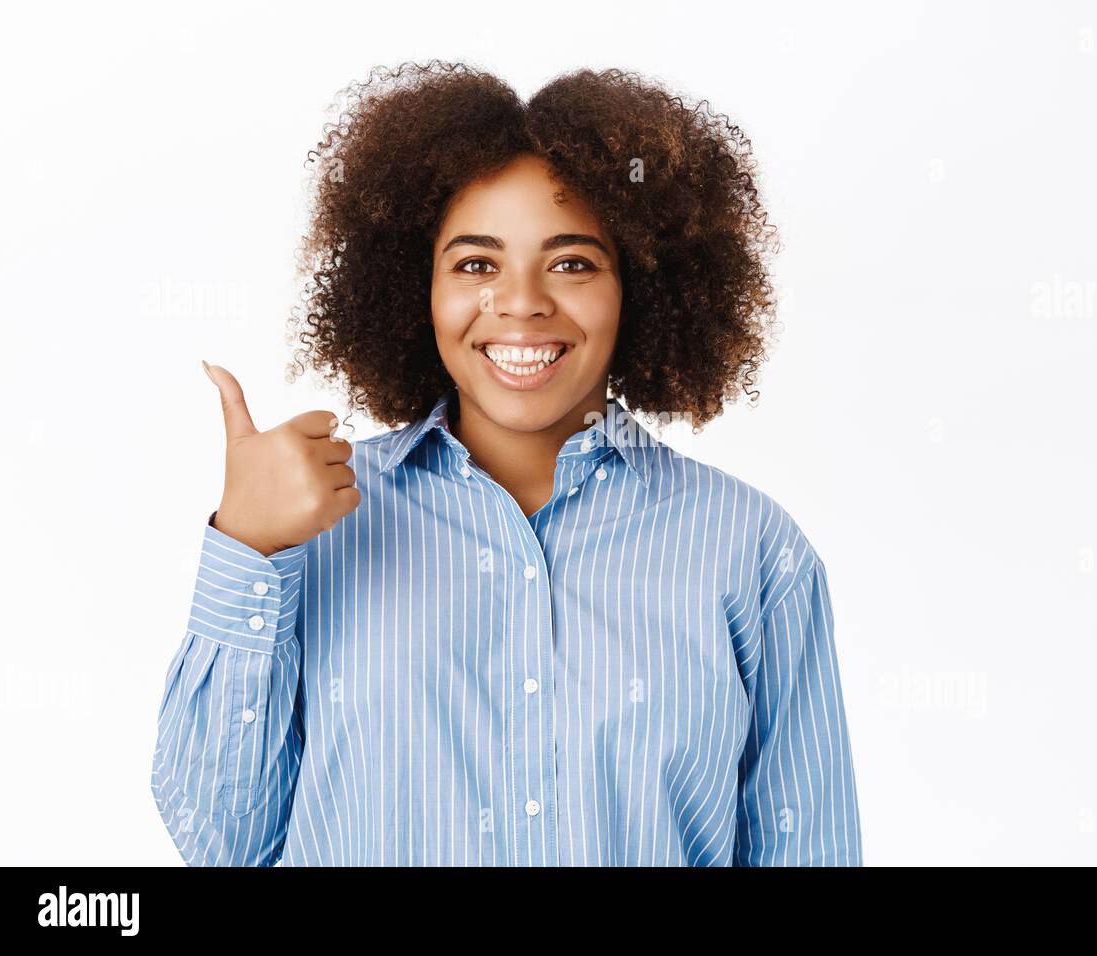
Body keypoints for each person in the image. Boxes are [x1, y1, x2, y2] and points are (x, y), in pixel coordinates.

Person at [151, 61, 863, 866]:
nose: (521, 302)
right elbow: (223, 842)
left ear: (642, 286)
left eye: (572, 263)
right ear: (413, 286)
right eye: (476, 264)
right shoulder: (313, 530)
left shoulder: (751, 551)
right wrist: (247, 549)